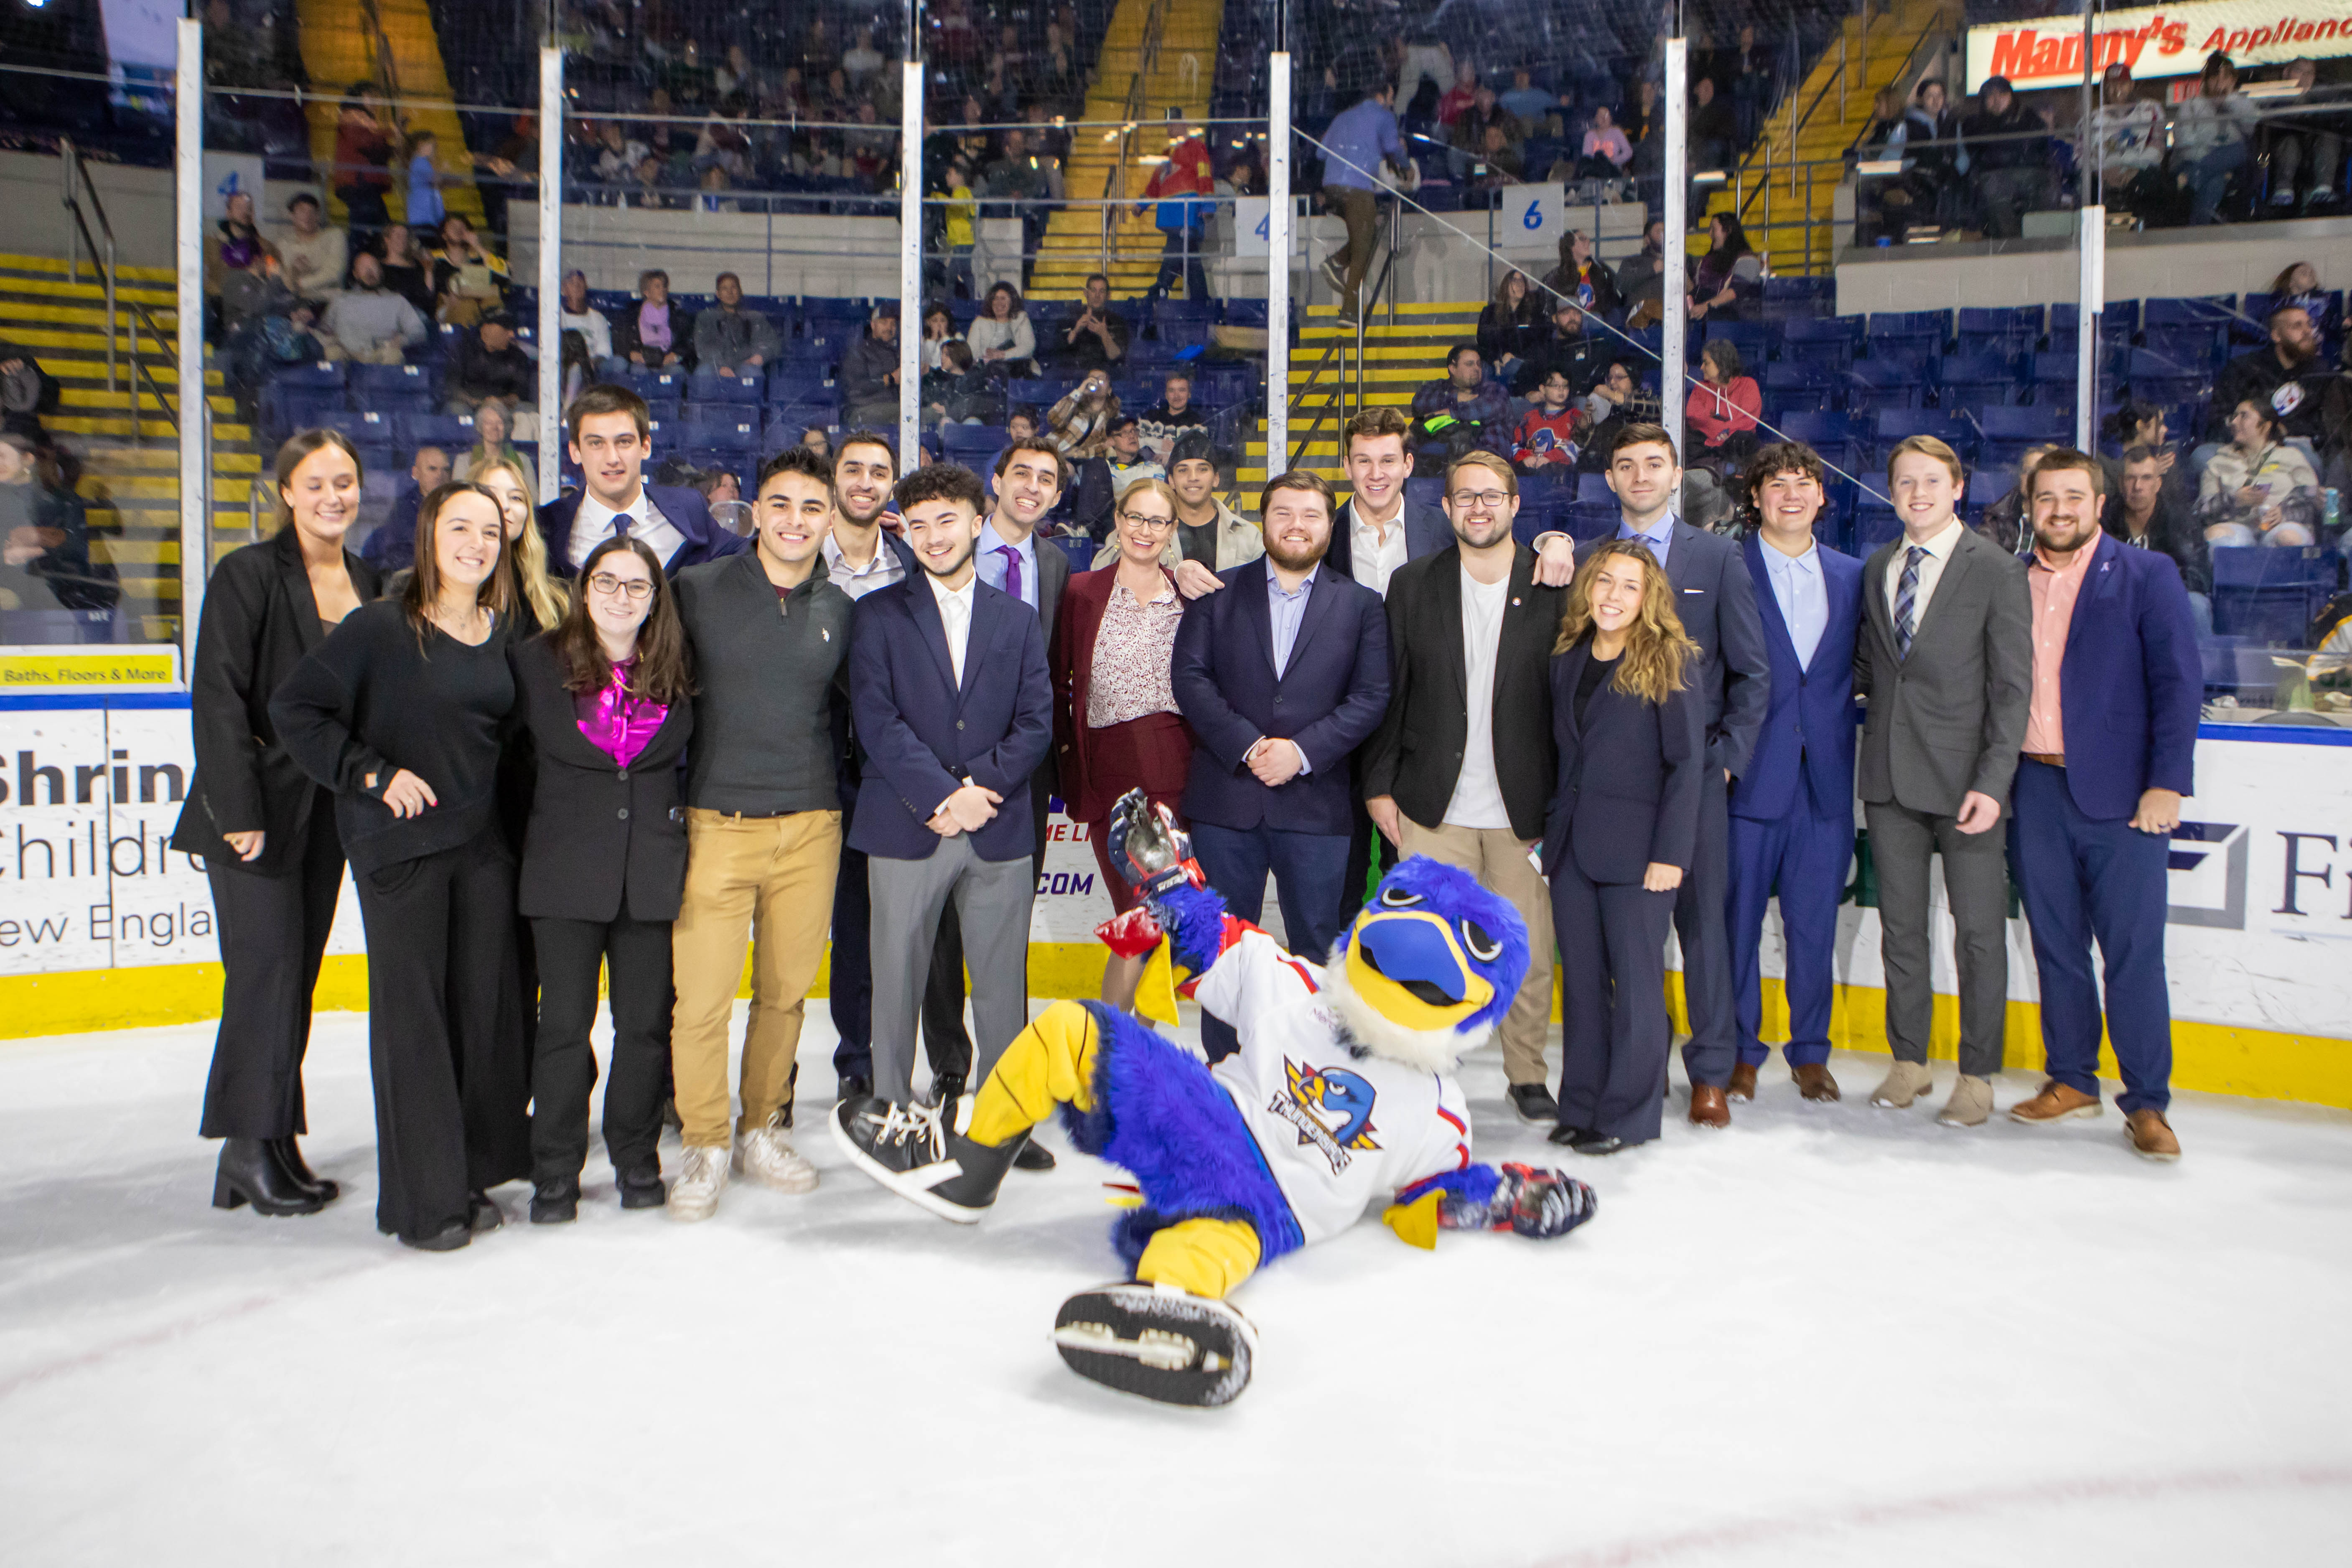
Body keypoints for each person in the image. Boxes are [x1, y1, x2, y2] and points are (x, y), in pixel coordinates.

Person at [270, 481, 531, 1250]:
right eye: (460, 527)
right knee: (416, 1025)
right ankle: (426, 1204)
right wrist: (370, 773)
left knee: (478, 1018)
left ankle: (468, 1176)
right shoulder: (381, 628)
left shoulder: (502, 630)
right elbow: (298, 709)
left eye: (490, 531)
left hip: (483, 853)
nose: (477, 543)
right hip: (404, 855)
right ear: (428, 535)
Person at [173, 430, 379, 1217]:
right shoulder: (248, 574)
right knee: (264, 976)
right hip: (254, 811)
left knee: (294, 977)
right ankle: (245, 1148)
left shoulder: (365, 577)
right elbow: (217, 695)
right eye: (317, 482)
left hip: (326, 809)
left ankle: (274, 1140)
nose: (334, 496)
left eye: (347, 481)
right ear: (286, 491)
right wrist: (239, 811)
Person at [660, 448, 854, 1221]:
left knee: (783, 996)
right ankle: (704, 1140)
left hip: (810, 826)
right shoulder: (698, 590)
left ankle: (760, 1126)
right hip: (716, 824)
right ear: (754, 512)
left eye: (812, 508)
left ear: (830, 519)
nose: (795, 521)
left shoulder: (841, 609)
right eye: (781, 504)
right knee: (701, 1001)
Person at [2000, 451, 2200, 1161]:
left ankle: (2146, 1101)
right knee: (2055, 947)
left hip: (2122, 797)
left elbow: (2178, 684)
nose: (2059, 509)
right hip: (2034, 786)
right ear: (2028, 504)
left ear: (2098, 501)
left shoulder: (2147, 575)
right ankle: (2071, 1079)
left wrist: (2166, 781)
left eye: (2072, 497)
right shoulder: (2010, 579)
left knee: (2132, 956)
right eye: (2045, 497)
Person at [1362, 452, 1568, 1123]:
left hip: (1524, 811)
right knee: (1422, 946)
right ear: (1446, 509)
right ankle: (1424, 1070)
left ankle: (1527, 1073)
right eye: (1465, 498)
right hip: (1431, 804)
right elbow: (1393, 693)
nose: (1479, 508)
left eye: (1492, 497)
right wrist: (1379, 786)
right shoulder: (1413, 583)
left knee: (1528, 952)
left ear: (1515, 505)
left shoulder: (1554, 583)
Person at [848, 462, 1053, 1108]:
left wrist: (979, 790)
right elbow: (876, 720)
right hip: (909, 823)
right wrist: (943, 795)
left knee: (1000, 988)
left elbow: (1036, 721)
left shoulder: (1017, 619)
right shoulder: (876, 615)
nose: (933, 536)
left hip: (998, 825)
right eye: (918, 524)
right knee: (897, 982)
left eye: (946, 520)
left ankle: (1004, 1122)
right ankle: (888, 1111)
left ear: (975, 519)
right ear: (904, 532)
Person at [1170, 470, 1391, 1062]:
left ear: (1329, 524)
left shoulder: (1362, 606)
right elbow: (1190, 679)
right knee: (1226, 949)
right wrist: (1248, 746)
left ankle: (1310, 1071)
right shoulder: (1217, 595)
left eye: (1311, 515)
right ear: (1262, 522)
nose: (1297, 526)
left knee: (1316, 943)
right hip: (1226, 801)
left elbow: (1371, 697)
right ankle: (1227, 1069)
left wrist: (1300, 752)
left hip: (1316, 804)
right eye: (1284, 514)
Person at [509, 536, 692, 1221]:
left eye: (637, 585)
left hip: (648, 873)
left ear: (654, 597)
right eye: (607, 582)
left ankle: (635, 1158)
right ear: (583, 590)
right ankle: (553, 1169)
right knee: (561, 1026)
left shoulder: (676, 667)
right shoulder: (536, 663)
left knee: (644, 1026)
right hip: (563, 874)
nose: (621, 597)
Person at [1854, 435, 2031, 1128]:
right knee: (1901, 931)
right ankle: (1908, 1061)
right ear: (1890, 492)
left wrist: (1993, 780)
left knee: (1977, 935)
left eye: (1931, 480)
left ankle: (1976, 1073)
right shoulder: (1878, 568)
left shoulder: (1993, 569)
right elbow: (1872, 672)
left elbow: (2010, 687)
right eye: (1904, 481)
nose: (1917, 493)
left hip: (1967, 786)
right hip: (1890, 781)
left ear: (1957, 487)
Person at [1540, 540, 1705, 1154]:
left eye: (1629, 586)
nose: (1613, 595)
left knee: (1636, 986)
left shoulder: (1670, 659)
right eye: (1604, 581)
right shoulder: (1567, 655)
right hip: (1573, 849)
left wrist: (1672, 854)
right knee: (1582, 984)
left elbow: (1688, 766)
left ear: (1649, 597)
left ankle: (1628, 1115)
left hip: (1641, 854)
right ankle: (1581, 1104)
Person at [1724, 444, 1861, 1105]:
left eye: (1803, 483)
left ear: (1822, 497)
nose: (1790, 494)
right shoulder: (1728, 567)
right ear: (1755, 498)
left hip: (1826, 781)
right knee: (1737, 925)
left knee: (1814, 927)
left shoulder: (1854, 575)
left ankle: (1810, 1054)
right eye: (1775, 484)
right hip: (1749, 777)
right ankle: (1742, 1053)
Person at [1052, 478, 1192, 1009]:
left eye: (1158, 521)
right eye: (1136, 517)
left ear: (1173, 530)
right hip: (1111, 775)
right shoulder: (1083, 592)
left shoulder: (1188, 593)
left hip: (1179, 770)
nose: (1144, 530)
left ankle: (1141, 1055)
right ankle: (1112, 1044)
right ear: (1118, 518)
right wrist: (1074, 776)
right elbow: (1058, 683)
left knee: (1167, 922)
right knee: (1138, 917)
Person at [538, 384, 748, 575]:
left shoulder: (688, 508)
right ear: (575, 452)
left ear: (645, 447)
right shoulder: (549, 526)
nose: (612, 458)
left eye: (624, 442)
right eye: (596, 444)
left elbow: (747, 557)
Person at [1318, 81, 1409, 324]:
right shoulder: (1384, 116)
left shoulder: (1342, 117)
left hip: (1332, 188)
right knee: (1363, 250)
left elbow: (1320, 153)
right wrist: (1406, 166)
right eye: (1391, 97)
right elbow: (1393, 147)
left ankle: (1336, 262)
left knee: (1366, 235)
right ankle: (1349, 312)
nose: (1392, 102)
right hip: (1356, 189)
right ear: (1381, 96)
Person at [2198, 398, 2321, 547]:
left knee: (2288, 538)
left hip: (2282, 526)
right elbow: (2203, 511)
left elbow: (2313, 501)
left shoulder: (2291, 457)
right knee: (2217, 535)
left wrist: (2285, 513)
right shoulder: (2217, 463)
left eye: (2244, 416)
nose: (2234, 422)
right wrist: (2234, 500)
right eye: (2233, 417)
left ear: (2266, 426)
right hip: (2238, 528)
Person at [2115, 443, 2210, 628]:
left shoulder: (2181, 521)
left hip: (2166, 597)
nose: (2138, 487)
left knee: (2196, 604)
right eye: (2130, 478)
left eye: (2147, 478)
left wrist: (2154, 589)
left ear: (2158, 484)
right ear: (2120, 483)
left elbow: (2198, 577)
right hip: (2119, 599)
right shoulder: (2104, 518)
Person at [468, 456, 566, 635]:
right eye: (492, 495)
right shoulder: (436, 592)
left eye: (516, 498)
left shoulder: (554, 600)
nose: (505, 506)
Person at [2209, 302, 2327, 444]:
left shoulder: (2321, 373)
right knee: (2202, 455)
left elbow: (2324, 427)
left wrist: (2283, 431)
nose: (2308, 331)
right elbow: (2219, 420)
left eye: (2309, 324)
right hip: (2246, 446)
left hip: (2297, 449)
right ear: (2277, 335)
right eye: (2297, 326)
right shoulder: (2244, 368)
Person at [1137, 108, 1213, 305]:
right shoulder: (1167, 154)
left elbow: (1204, 173)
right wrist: (1141, 205)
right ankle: (1201, 300)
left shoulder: (1196, 147)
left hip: (1184, 212)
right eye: (1168, 124)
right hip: (1173, 214)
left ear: (1183, 123)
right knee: (1189, 258)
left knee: (1176, 250)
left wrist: (1208, 204)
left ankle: (1159, 291)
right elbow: (1156, 184)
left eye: (1173, 123)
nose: (1169, 128)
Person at [1959, 76, 2048, 238]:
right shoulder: (1974, 125)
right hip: (1993, 181)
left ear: (2011, 97)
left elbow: (2044, 151)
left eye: (2002, 95)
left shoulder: (2029, 119)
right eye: (1991, 96)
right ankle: (2011, 243)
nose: (1997, 100)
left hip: (2028, 177)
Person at [2175, 52, 2259, 225]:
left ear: (2233, 80)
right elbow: (2185, 141)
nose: (2220, 82)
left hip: (2232, 166)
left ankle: (2198, 176)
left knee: (2241, 149)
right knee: (2216, 182)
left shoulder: (2242, 103)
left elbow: (2251, 127)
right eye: (2215, 77)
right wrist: (2213, 161)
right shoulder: (2191, 106)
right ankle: (2198, 233)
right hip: (2199, 161)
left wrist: (2230, 100)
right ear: (2207, 80)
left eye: (2226, 77)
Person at [2090, 63, 2175, 223]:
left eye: (2122, 84)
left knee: (2157, 182)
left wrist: (2133, 171)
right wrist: (2101, 173)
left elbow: (2157, 149)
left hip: (2140, 172)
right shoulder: (2093, 118)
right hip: (2106, 177)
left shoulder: (2150, 109)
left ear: (2131, 85)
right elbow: (2084, 155)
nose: (2117, 90)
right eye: (2111, 85)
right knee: (2087, 188)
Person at [2263, 61, 2346, 215]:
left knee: (2329, 139)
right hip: (2285, 156)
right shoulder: (2275, 98)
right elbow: (2273, 125)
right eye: (2300, 71)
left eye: (2310, 73)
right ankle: (2283, 192)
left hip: (2317, 155)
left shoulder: (2322, 97)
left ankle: (2324, 190)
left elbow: (2334, 120)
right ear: (2286, 73)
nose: (2305, 77)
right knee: (2290, 144)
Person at [1410, 345, 1511, 467]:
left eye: (1479, 364)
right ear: (1453, 368)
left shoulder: (1493, 389)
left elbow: (1493, 408)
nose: (1477, 368)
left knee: (1494, 424)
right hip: (1436, 461)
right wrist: (1459, 397)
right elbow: (1419, 404)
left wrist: (1450, 412)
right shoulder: (1436, 387)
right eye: (1470, 364)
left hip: (1486, 462)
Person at [318, 250, 426, 364]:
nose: (370, 271)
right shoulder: (340, 300)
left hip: (379, 355)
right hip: (346, 356)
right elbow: (324, 330)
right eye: (364, 267)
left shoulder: (397, 301)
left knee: (394, 355)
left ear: (380, 272)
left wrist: (403, 340)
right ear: (356, 274)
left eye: (374, 267)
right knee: (331, 352)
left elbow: (419, 331)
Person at [359, 444, 451, 572]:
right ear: (416, 473)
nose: (440, 475)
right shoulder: (403, 511)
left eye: (446, 470)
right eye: (432, 469)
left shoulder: (459, 505)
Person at [332, 87, 397, 237]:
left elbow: (374, 147)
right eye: (370, 96)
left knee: (379, 229)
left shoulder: (362, 119)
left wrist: (393, 149)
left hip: (364, 183)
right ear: (358, 98)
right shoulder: (353, 117)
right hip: (360, 182)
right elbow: (367, 143)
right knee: (369, 230)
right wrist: (392, 132)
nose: (376, 102)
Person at [693, 271, 781, 380]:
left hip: (745, 366)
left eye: (734, 288)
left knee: (754, 373)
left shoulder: (755, 318)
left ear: (740, 291)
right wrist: (720, 366)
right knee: (703, 373)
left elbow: (772, 343)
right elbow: (702, 346)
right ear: (718, 294)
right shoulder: (706, 318)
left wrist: (761, 355)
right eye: (725, 289)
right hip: (715, 366)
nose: (730, 292)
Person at [446, 313, 534, 418]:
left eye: (512, 329)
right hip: (470, 406)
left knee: (531, 411)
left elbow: (520, 390)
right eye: (505, 328)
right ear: (486, 329)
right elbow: (452, 386)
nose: (512, 335)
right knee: (454, 409)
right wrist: (472, 402)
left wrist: (500, 402)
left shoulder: (518, 356)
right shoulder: (464, 351)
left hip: (504, 407)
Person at [1686, 340, 1761, 463]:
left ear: (1721, 364)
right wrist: (1722, 432)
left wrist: (1727, 432)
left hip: (1736, 449)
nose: (1702, 368)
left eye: (1706, 363)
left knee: (1745, 438)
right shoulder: (1701, 387)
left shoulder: (1748, 385)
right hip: (1706, 448)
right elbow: (1695, 417)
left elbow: (1747, 420)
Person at [430, 214, 509, 328]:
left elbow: (503, 274)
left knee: (493, 301)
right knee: (467, 306)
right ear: (444, 235)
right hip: (450, 309)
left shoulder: (478, 258)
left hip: (479, 307)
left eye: (462, 227)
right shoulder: (436, 259)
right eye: (453, 227)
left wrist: (478, 246)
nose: (458, 230)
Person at [275, 193, 347, 306]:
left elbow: (334, 273)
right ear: (292, 216)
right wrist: (294, 271)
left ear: (318, 216)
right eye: (302, 211)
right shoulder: (283, 245)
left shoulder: (334, 236)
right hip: (293, 305)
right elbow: (281, 279)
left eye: (312, 212)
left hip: (328, 302)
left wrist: (299, 284)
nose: (308, 216)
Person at [840, 301, 904, 428]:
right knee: (918, 414)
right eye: (884, 322)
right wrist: (890, 379)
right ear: (873, 325)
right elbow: (856, 387)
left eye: (893, 324)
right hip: (862, 410)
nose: (889, 328)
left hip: (890, 411)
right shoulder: (859, 351)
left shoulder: (899, 353)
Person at [613, 269, 692, 371]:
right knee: (638, 371)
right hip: (642, 359)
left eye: (665, 286)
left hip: (667, 359)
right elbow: (620, 342)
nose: (663, 290)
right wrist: (631, 354)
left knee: (677, 371)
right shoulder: (632, 315)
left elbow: (687, 342)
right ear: (647, 292)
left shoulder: (678, 314)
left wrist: (676, 355)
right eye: (657, 287)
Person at [1688, 214, 1761, 323]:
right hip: (1705, 321)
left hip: (1733, 323)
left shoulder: (1747, 260)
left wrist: (1705, 307)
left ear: (1728, 231)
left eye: (1714, 229)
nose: (1710, 234)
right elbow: (1696, 290)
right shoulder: (1708, 260)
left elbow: (1733, 293)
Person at [1476, 270, 1544, 387]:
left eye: (1522, 280)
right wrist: (1495, 359)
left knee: (1513, 367)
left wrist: (1514, 356)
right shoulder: (1490, 312)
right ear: (1505, 285)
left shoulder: (1533, 313)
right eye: (1515, 280)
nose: (1520, 284)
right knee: (1484, 370)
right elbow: (1483, 342)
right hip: (1493, 362)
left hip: (1519, 362)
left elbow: (1538, 345)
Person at [1539, 230, 1622, 319]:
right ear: (1570, 246)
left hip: (1600, 326)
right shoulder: (1555, 277)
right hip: (1569, 326)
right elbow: (1548, 309)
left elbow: (1615, 301)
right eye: (1582, 239)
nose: (1588, 241)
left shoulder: (1602, 271)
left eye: (1587, 239)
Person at [1514, 369, 1586, 471]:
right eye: (1555, 386)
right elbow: (1517, 445)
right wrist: (1525, 457)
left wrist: (1549, 458)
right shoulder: (1529, 418)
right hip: (1531, 475)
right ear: (1543, 389)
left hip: (1561, 476)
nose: (1561, 390)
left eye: (1565, 386)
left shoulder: (1575, 417)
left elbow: (1578, 447)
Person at [1057, 273, 1130, 374]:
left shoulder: (1117, 321)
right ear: (1086, 293)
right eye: (1093, 290)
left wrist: (1104, 334)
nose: (1097, 296)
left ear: (1108, 295)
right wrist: (1075, 331)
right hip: (1077, 375)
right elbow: (1059, 355)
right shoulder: (1072, 318)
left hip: (1107, 375)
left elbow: (1116, 358)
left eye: (1102, 291)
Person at [1137, 370, 1207, 467]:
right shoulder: (1149, 419)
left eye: (1182, 390)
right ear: (1166, 395)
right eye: (1172, 391)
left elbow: (1202, 454)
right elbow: (1132, 445)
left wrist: (1171, 458)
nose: (1177, 396)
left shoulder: (1199, 423)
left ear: (1190, 394)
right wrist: (1156, 443)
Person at [968, 281, 1038, 376]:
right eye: (996, 299)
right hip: (986, 369)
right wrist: (987, 352)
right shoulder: (980, 322)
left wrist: (1003, 355)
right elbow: (971, 351)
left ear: (1012, 302)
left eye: (1003, 298)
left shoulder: (1021, 319)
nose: (999, 303)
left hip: (1015, 368)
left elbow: (1028, 346)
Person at [1049, 369, 1120, 458]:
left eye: (1101, 380)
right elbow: (1054, 419)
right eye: (1092, 379)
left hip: (1086, 463)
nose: (1097, 383)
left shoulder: (1113, 418)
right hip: (1055, 455)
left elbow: (1107, 448)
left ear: (1109, 390)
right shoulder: (1074, 407)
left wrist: (1076, 454)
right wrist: (1080, 391)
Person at [453, 397, 524, 484]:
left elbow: (533, 496)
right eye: (489, 423)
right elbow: (459, 494)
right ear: (480, 427)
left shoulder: (523, 460)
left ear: (507, 427)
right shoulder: (464, 461)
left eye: (500, 423)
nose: (495, 428)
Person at [377, 222, 437, 318]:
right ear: (387, 240)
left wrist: (429, 270)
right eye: (398, 235)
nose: (402, 239)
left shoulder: (419, 267)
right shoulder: (379, 267)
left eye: (405, 236)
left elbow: (428, 297)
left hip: (418, 315)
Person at [558, 269, 613, 369]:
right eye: (572, 283)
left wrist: (588, 364)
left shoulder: (598, 318)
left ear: (586, 287)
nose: (577, 286)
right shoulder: (556, 316)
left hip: (590, 367)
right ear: (564, 289)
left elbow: (604, 353)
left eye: (580, 282)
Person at [1576, 107, 1634, 182]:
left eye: (1606, 116)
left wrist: (1615, 160)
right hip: (1594, 172)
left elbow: (1628, 152)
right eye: (1601, 116)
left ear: (1611, 118)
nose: (1604, 119)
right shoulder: (1589, 135)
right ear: (1596, 119)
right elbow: (1587, 156)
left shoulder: (1617, 132)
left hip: (1613, 170)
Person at [405, 130, 445, 232]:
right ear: (420, 144)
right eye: (432, 144)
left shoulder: (421, 162)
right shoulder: (420, 162)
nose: (434, 148)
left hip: (427, 218)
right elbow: (437, 181)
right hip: (424, 218)